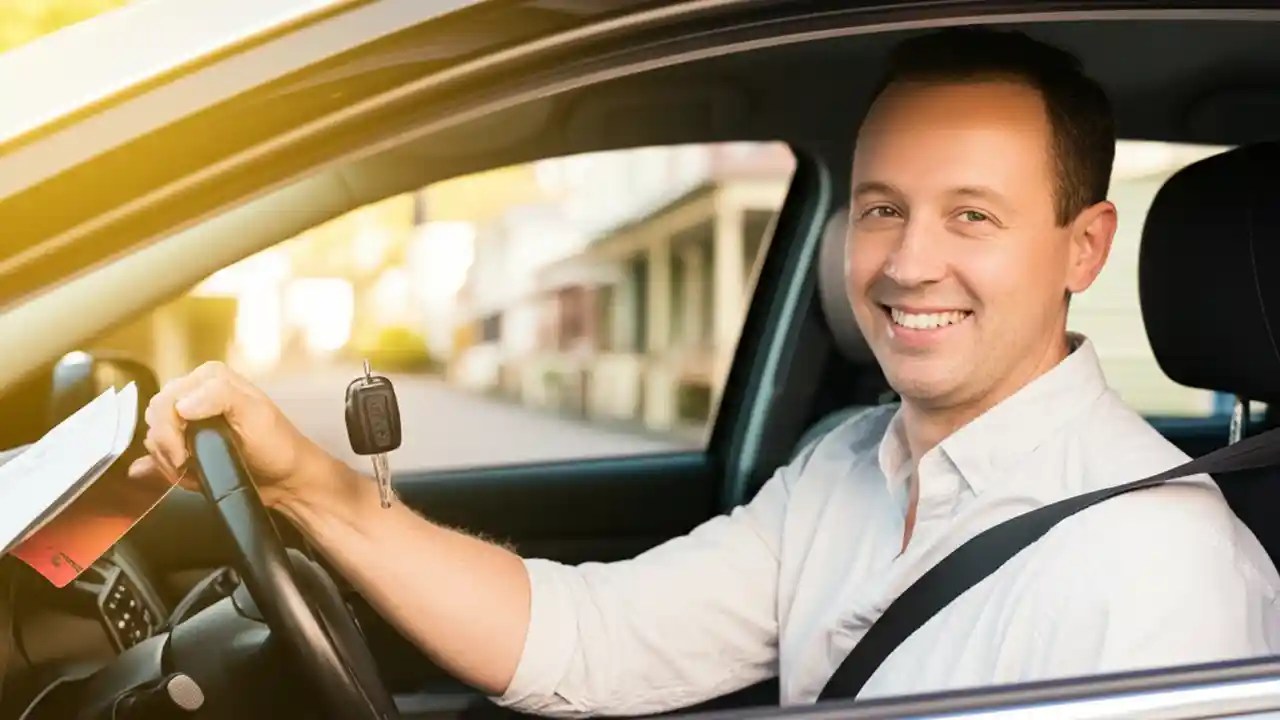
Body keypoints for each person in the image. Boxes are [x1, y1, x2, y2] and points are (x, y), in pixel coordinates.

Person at [131, 28, 1280, 717]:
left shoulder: (1164, 570)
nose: (906, 262)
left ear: (1081, 246)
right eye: (881, 209)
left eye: (970, 215)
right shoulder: (842, 465)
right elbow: (590, 642)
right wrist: (301, 487)